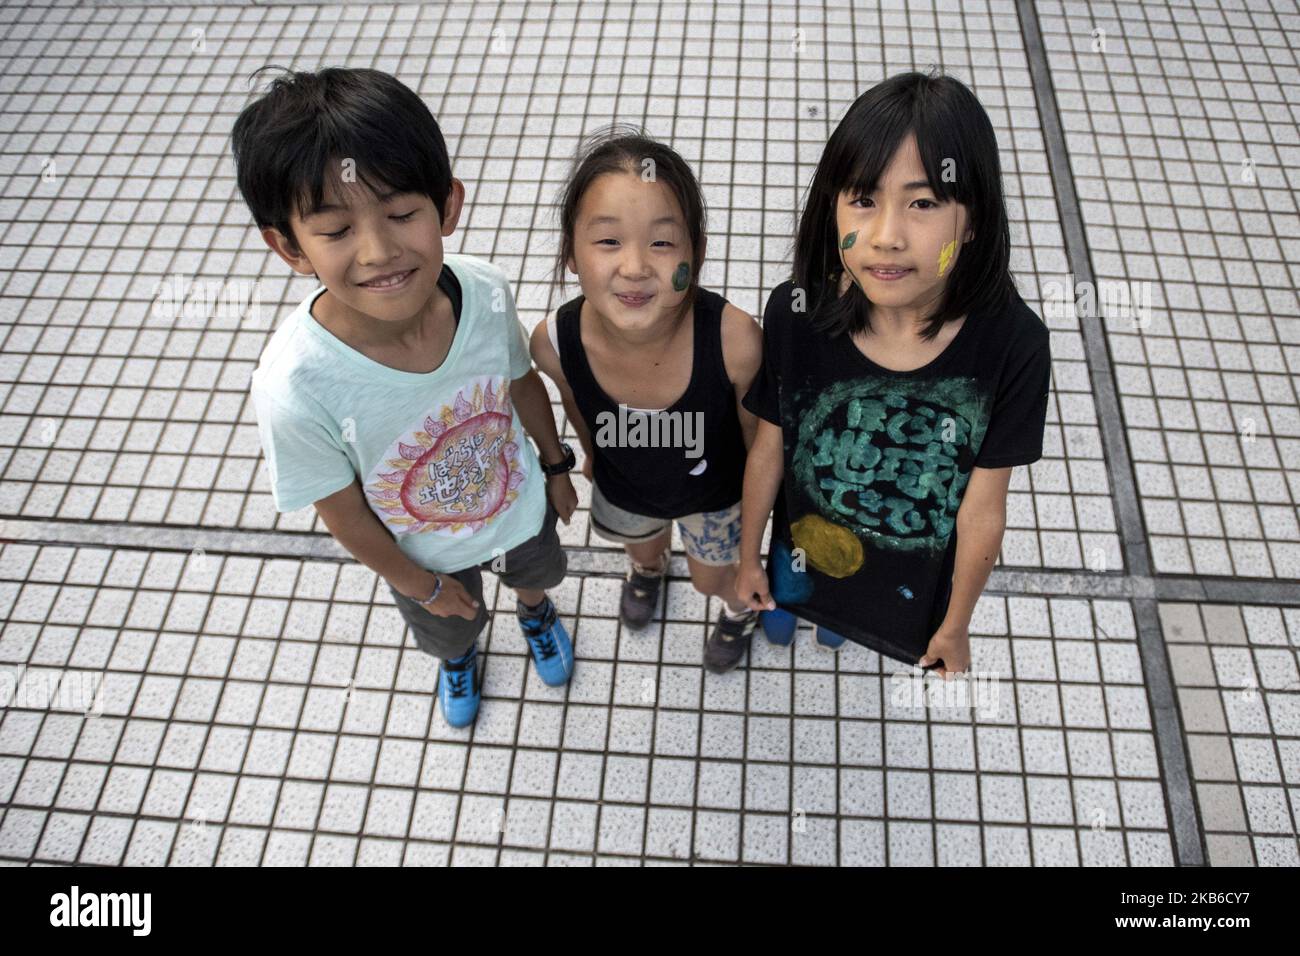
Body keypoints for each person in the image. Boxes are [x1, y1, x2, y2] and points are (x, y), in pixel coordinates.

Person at [233, 67, 579, 727]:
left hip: (519, 505)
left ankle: (534, 614)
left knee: (535, 574)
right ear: (287, 245)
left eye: (401, 213)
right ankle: (458, 659)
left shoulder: (481, 291)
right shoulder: (294, 387)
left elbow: (519, 380)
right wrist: (420, 584)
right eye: (335, 231)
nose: (379, 250)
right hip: (423, 559)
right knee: (451, 625)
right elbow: (345, 516)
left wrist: (554, 464)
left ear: (447, 205)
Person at [737, 72, 1052, 680]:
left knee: (843, 618)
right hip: (798, 545)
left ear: (975, 217)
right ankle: (792, 599)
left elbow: (983, 511)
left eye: (924, 202)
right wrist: (748, 556)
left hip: (909, 579)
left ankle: (835, 618)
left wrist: (955, 626)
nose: (886, 236)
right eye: (862, 198)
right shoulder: (797, 311)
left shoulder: (1015, 347)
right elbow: (769, 447)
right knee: (787, 594)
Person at [530, 129, 764, 674]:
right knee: (641, 547)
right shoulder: (554, 343)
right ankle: (650, 572)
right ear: (570, 253)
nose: (635, 267)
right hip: (624, 489)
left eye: (662, 243)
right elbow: (573, 403)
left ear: (696, 253)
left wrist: (756, 534)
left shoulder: (734, 342)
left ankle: (737, 609)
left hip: (715, 498)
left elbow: (760, 441)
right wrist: (586, 455)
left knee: (713, 578)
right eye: (608, 242)